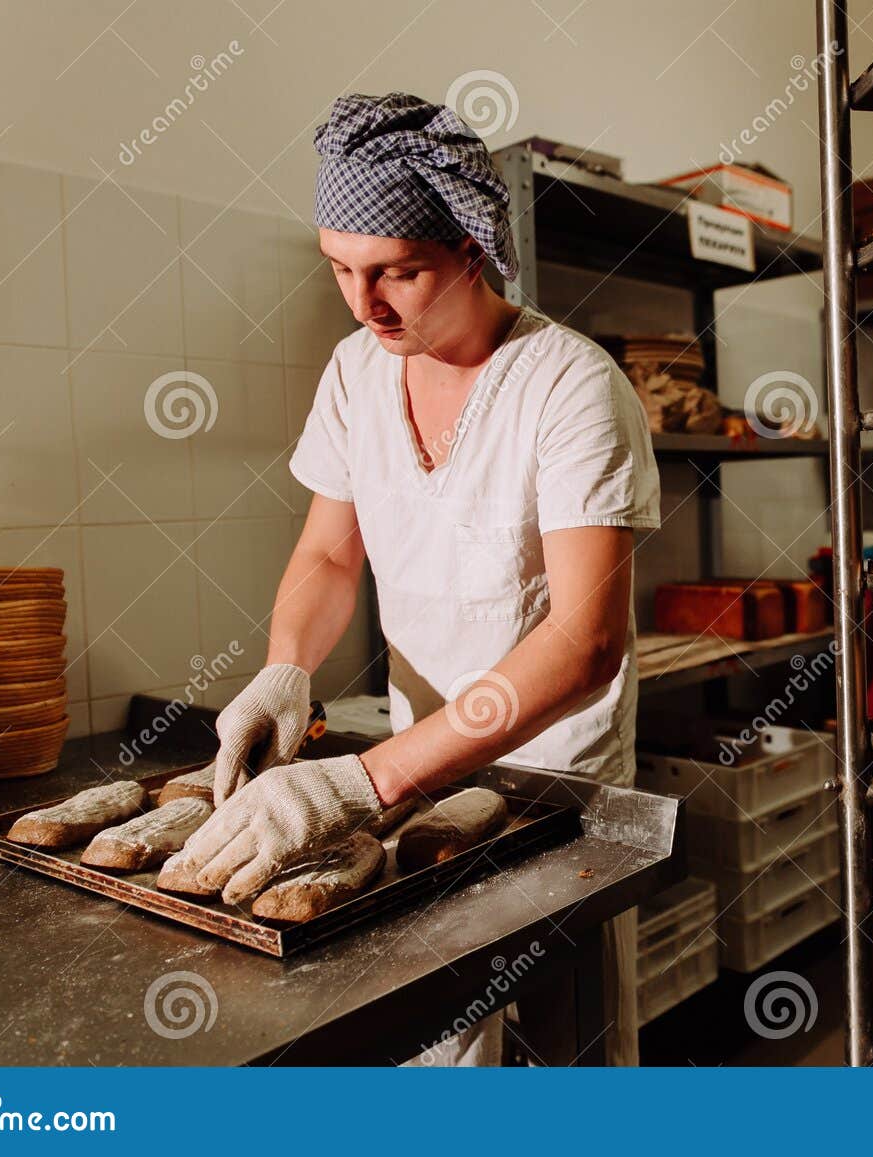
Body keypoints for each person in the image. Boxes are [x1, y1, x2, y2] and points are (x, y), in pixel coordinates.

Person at [173, 92, 660, 1066]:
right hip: (417, 764)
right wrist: (285, 668)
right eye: (341, 269)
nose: (366, 304)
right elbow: (328, 554)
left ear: (473, 251)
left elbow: (585, 640)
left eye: (398, 270)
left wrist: (362, 778)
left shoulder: (569, 386)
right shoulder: (356, 373)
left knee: (565, 1048)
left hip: (553, 781)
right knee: (443, 1048)